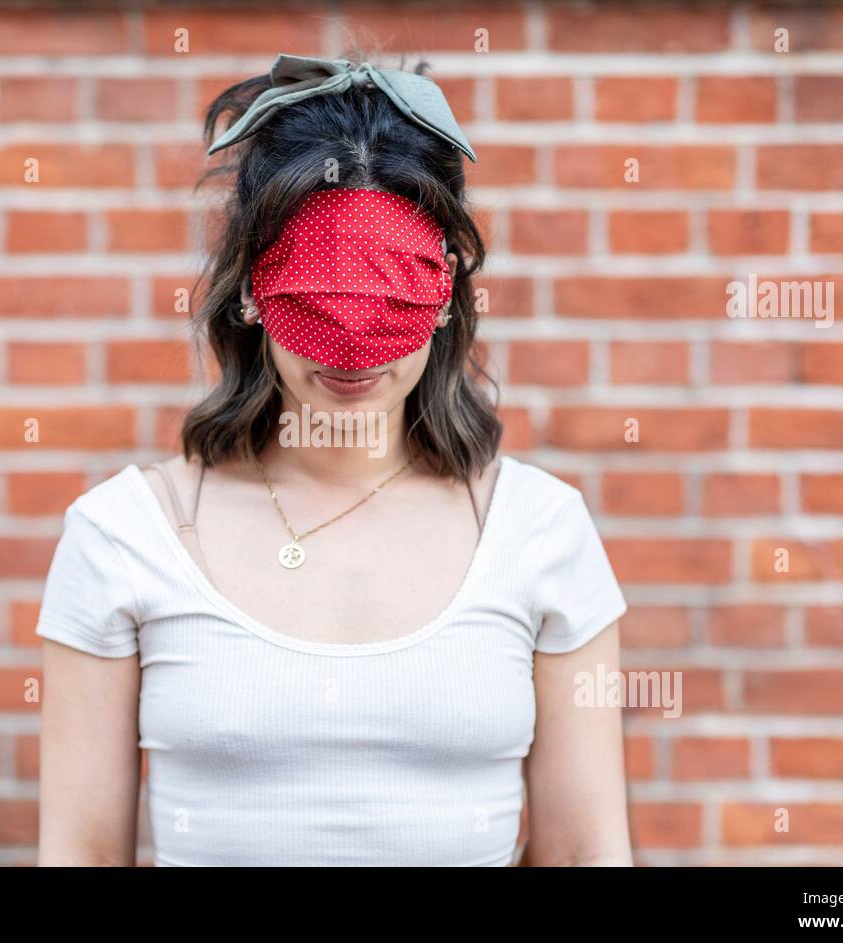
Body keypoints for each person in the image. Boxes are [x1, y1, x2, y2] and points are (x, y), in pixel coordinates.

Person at [36, 53, 631, 867]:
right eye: (318, 291)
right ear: (250, 288)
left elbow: (582, 855)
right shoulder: (124, 535)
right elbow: (81, 856)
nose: (352, 347)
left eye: (387, 289)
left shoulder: (541, 531)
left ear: (448, 287)